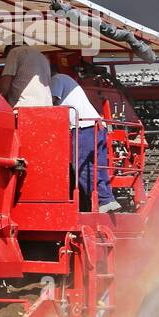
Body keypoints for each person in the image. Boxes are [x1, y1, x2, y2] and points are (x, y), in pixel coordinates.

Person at [51, 72, 120, 214]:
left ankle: (102, 201)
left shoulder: (56, 79)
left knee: (81, 166)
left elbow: (52, 104)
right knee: (99, 167)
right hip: (97, 125)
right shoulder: (67, 79)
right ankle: (108, 199)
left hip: (83, 126)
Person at [0, 41, 52, 107]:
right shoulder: (42, 56)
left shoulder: (14, 51)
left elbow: (4, 87)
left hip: (24, 105)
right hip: (47, 105)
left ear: (10, 48)